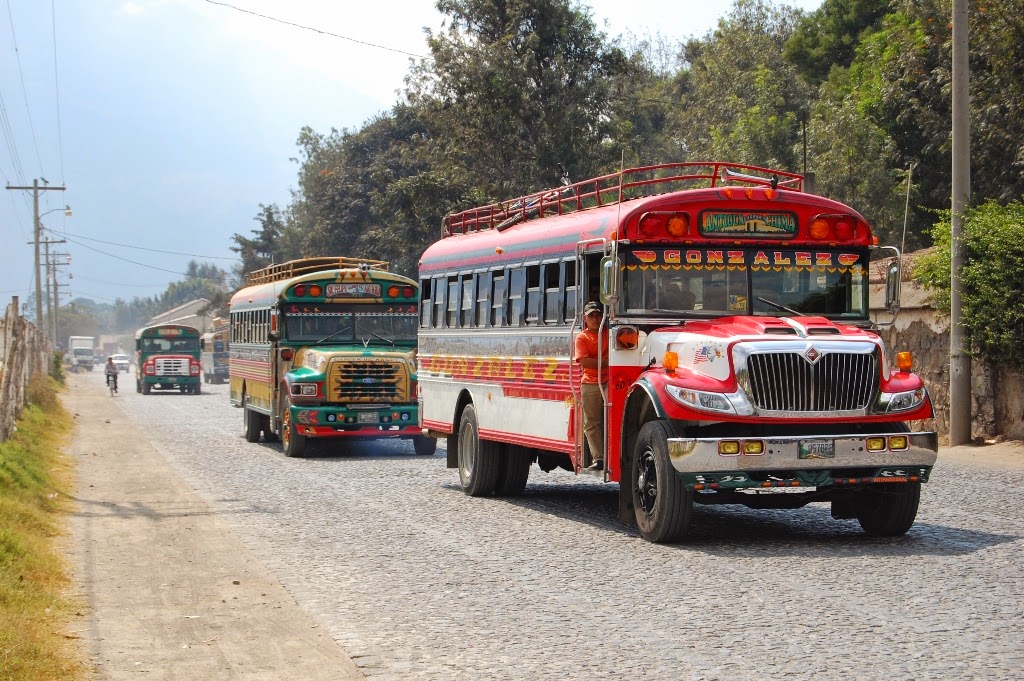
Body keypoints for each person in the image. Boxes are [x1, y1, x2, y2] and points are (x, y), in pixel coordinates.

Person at [574, 301, 608, 471]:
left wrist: (599, 363)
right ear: (584, 318)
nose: (595, 318)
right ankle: (599, 458)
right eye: (591, 316)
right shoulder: (582, 337)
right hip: (590, 382)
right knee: (591, 422)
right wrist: (609, 363)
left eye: (598, 314)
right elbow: (585, 362)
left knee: (611, 418)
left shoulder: (610, 334)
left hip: (610, 381)